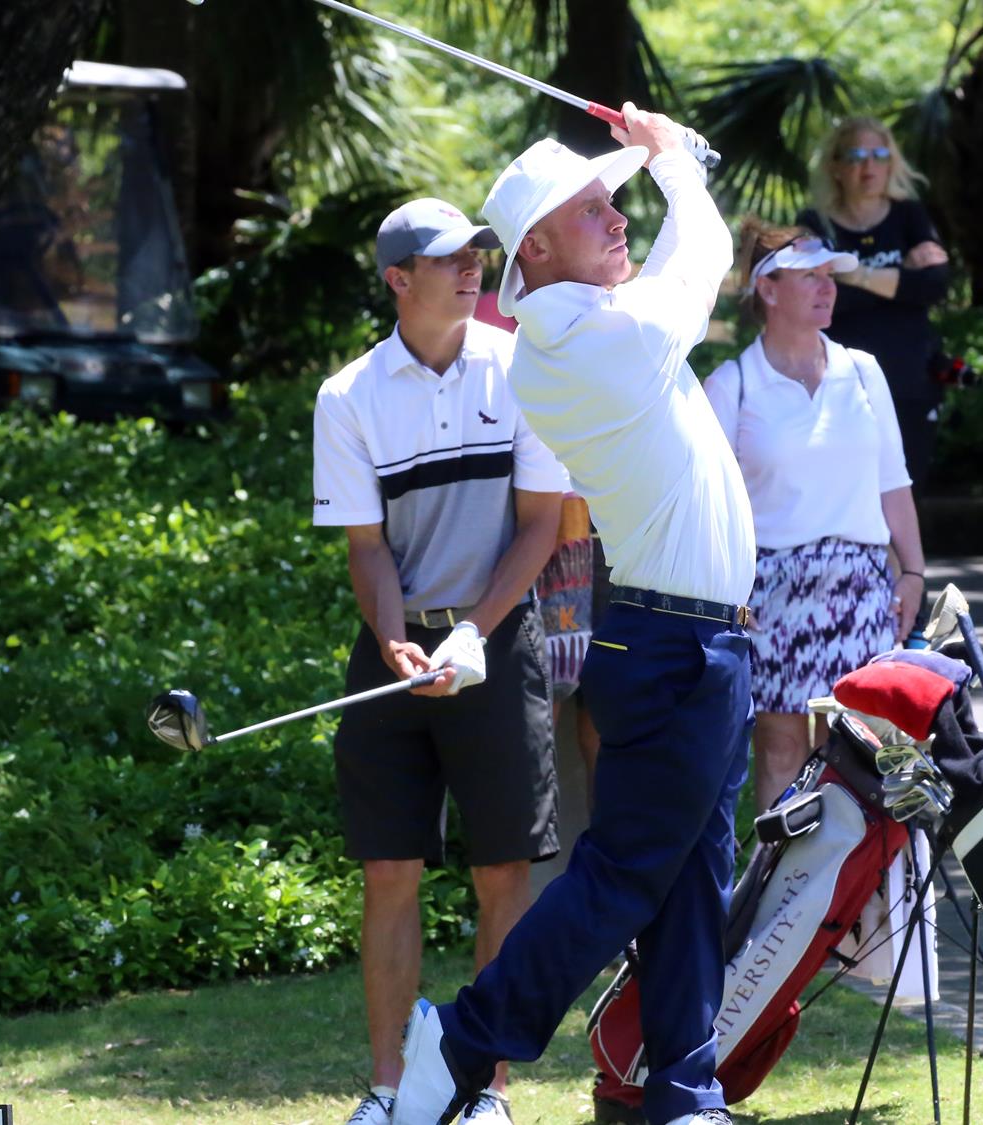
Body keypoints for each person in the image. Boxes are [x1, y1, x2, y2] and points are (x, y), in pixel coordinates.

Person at [390, 106, 752, 1125]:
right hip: (673, 639)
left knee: (687, 876)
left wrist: (646, 156)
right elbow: (708, 250)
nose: (616, 217)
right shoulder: (597, 340)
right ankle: (461, 1042)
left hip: (696, 636)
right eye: (593, 209)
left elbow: (676, 251)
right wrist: (674, 164)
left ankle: (685, 1089)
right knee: (628, 872)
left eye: (613, 202)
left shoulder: (592, 321)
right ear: (536, 248)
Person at [311, 197, 570, 1125]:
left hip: (500, 639)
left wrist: (476, 632)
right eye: (450, 258)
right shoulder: (348, 396)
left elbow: (541, 524)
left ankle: (486, 1092)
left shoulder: (522, 369)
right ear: (397, 279)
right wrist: (397, 641)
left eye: (477, 255)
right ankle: (388, 1088)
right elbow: (368, 547)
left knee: (504, 871)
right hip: (397, 651)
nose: (472, 269)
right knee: (390, 869)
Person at [705, 224, 928, 807]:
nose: (827, 287)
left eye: (829, 275)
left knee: (861, 747)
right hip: (771, 589)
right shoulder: (733, 386)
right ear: (769, 290)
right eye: (811, 276)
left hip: (860, 584)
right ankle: (784, 896)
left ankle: (867, 897)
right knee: (780, 748)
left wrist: (912, 574)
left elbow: (893, 483)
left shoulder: (863, 371)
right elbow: (712, 510)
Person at [796, 116, 953, 491]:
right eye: (856, 156)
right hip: (837, 383)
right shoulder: (813, 222)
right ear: (836, 166)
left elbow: (934, 285)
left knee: (904, 496)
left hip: (910, 381)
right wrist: (899, 277)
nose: (869, 167)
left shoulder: (910, 214)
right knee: (844, 494)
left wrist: (849, 272)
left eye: (880, 155)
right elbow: (819, 299)